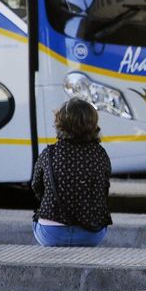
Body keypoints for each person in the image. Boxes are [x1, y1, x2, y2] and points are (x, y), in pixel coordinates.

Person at [31, 99, 113, 247]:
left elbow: (36, 186)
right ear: (93, 123)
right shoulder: (100, 154)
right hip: (90, 234)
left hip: (51, 233)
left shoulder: (49, 153)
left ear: (59, 124)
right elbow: (103, 190)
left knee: (38, 217)